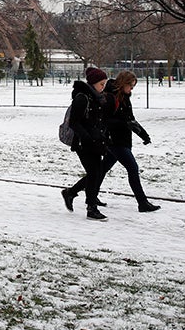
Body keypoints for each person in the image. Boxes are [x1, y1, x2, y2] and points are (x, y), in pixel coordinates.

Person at [101, 71, 160, 212]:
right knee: (133, 168)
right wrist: (124, 124)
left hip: (122, 139)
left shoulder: (125, 98)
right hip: (114, 141)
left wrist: (143, 135)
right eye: (130, 86)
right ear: (123, 84)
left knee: (100, 170)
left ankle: (73, 192)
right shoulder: (110, 97)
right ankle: (142, 202)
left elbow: (131, 120)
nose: (131, 90)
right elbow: (105, 120)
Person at [60, 66, 111, 220]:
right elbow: (75, 123)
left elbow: (98, 121)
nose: (103, 87)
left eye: (104, 84)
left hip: (96, 141)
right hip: (84, 143)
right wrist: (87, 137)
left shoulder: (98, 97)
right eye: (101, 84)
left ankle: (71, 193)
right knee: (95, 173)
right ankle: (91, 208)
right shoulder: (82, 98)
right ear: (93, 83)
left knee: (96, 173)